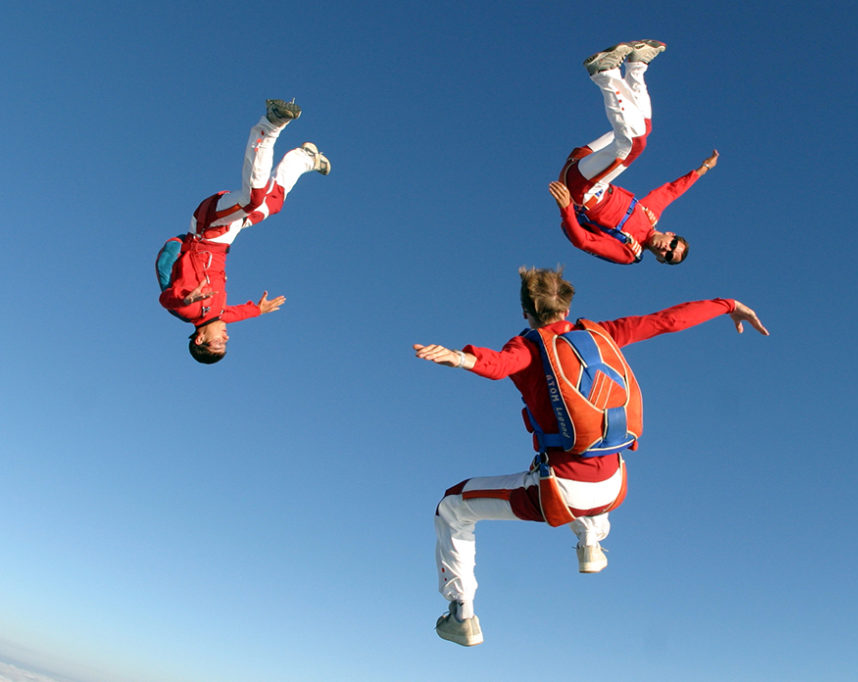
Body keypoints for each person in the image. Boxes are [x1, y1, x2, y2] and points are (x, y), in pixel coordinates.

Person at [413, 267, 769, 646]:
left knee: (451, 505)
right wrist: (727, 305)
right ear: (567, 307)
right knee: (565, 469)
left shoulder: (529, 346)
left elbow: (499, 365)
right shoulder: (604, 333)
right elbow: (666, 321)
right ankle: (592, 546)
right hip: (614, 485)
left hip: (562, 493)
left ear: (525, 313)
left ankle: (461, 615)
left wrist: (462, 358)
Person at [156, 99, 331, 364]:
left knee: (253, 198)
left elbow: (166, 299)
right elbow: (235, 314)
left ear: (200, 339)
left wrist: (184, 297)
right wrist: (258, 310)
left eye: (218, 344)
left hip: (207, 231)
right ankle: (304, 158)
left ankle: (270, 124)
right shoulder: (217, 314)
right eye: (226, 344)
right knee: (270, 205)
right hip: (225, 237)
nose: (225, 339)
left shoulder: (190, 310)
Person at [549, 40, 718, 265]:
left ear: (660, 260)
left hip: (582, 191)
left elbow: (583, 241)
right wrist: (702, 169)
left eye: (668, 256)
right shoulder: (649, 215)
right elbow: (670, 192)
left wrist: (566, 209)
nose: (666, 249)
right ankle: (637, 64)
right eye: (673, 245)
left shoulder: (630, 252)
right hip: (587, 166)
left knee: (634, 143)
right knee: (644, 130)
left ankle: (603, 72)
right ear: (671, 234)